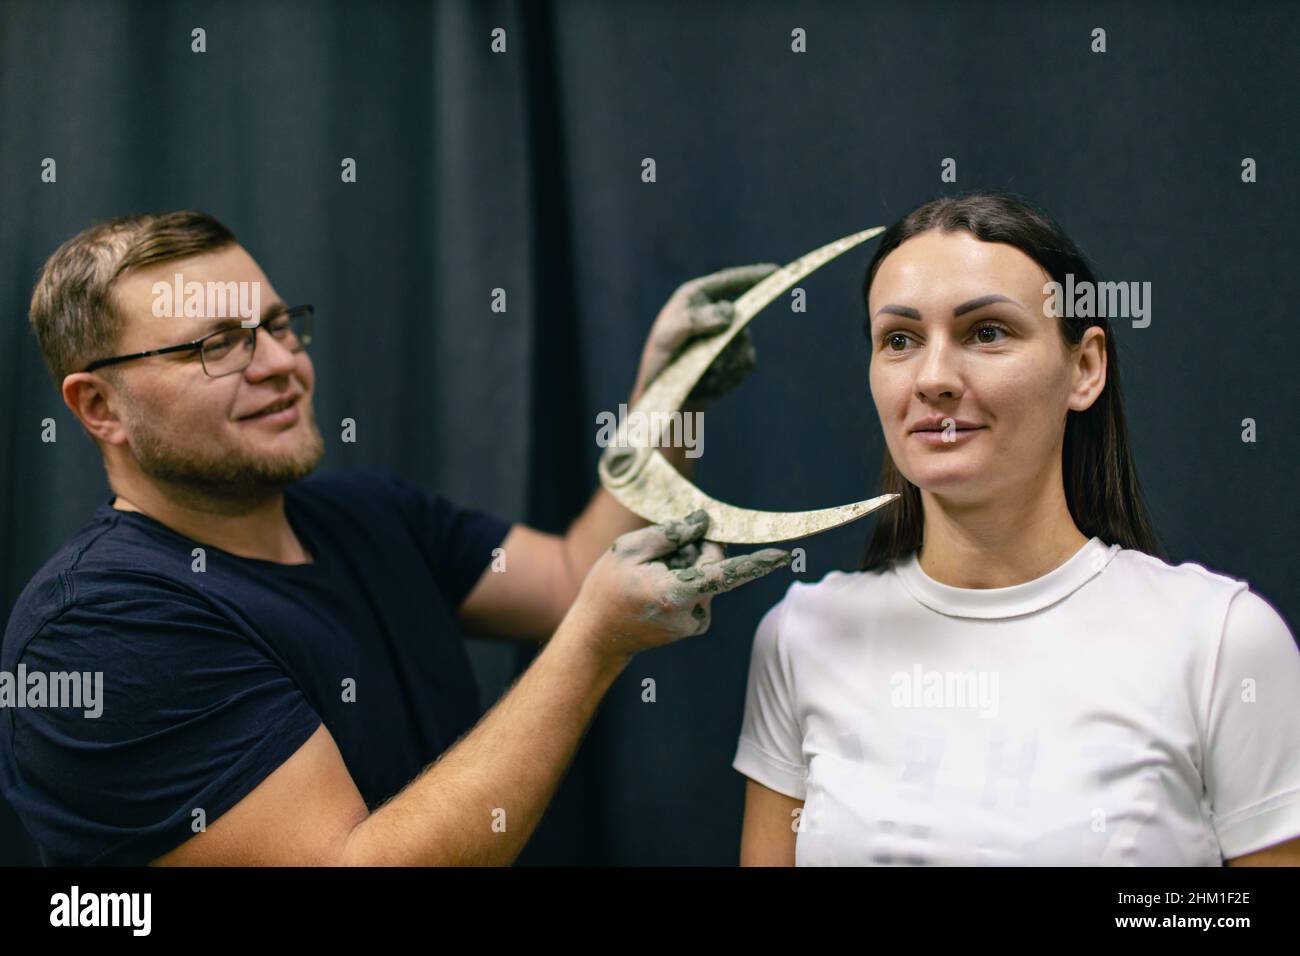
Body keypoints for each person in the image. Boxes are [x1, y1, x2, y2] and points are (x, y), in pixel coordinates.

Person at [0, 210, 791, 865]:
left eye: (277, 325)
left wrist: (663, 401)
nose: (280, 364)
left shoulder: (366, 515)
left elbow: (570, 576)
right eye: (218, 345)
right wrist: (596, 644)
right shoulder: (96, 632)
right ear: (99, 406)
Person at [733, 191, 1300, 866]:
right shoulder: (802, 637)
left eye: (986, 332)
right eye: (901, 340)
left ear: (1085, 367)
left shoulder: (1221, 641)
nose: (934, 378)